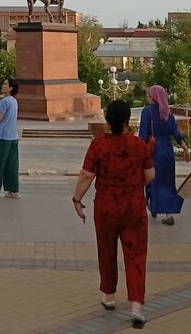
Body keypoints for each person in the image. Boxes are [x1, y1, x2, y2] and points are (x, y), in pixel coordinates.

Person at [72, 99, 154, 329]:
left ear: (107, 119)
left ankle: (109, 296)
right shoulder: (139, 145)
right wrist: (134, 185)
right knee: (136, 255)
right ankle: (136, 306)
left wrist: (77, 199)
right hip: (133, 208)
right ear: (128, 120)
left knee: (106, 250)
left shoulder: (99, 145)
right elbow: (150, 176)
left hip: (106, 207)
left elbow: (87, 175)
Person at [138, 85, 190, 225]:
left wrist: (138, 152)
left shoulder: (147, 111)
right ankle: (168, 213)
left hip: (153, 151)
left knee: (151, 180)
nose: (147, 97)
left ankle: (154, 206)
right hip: (167, 150)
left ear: (153, 97)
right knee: (167, 182)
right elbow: (176, 133)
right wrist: (185, 148)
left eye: (149, 94)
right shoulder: (168, 113)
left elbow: (143, 135)